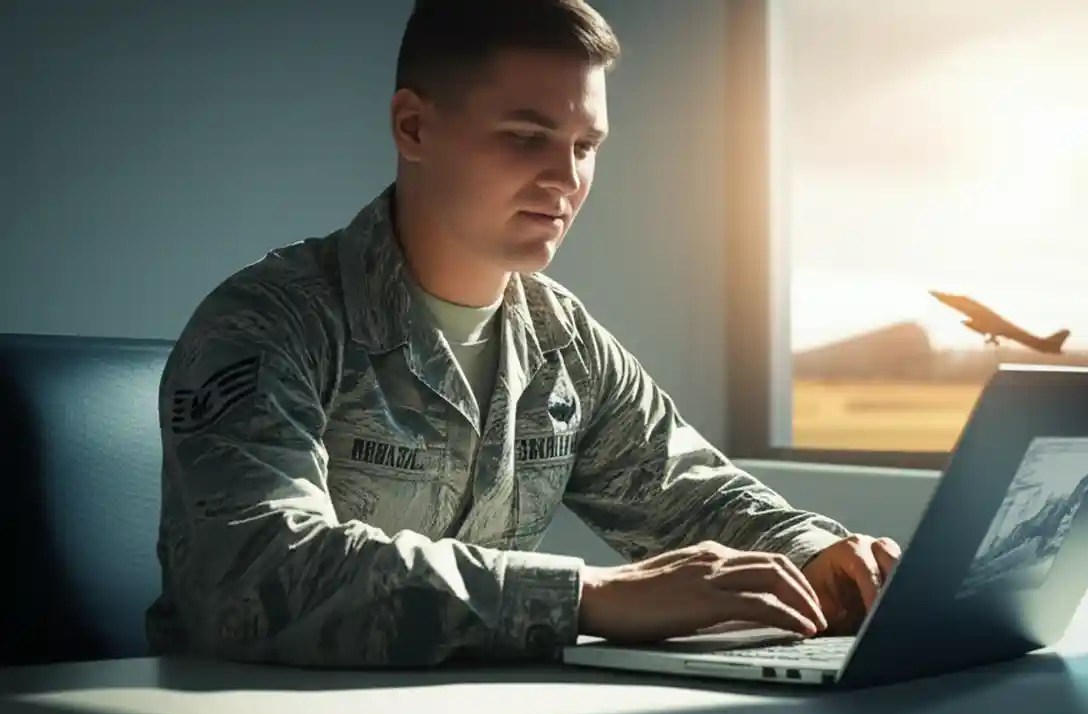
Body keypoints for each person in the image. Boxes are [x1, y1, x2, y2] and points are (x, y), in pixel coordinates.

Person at [146, 0, 901, 668]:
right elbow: (252, 572)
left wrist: (823, 558)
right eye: (526, 137)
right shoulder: (271, 321)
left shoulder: (562, 342)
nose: (566, 178)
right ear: (413, 127)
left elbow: (686, 493)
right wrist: (588, 597)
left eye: (586, 146)